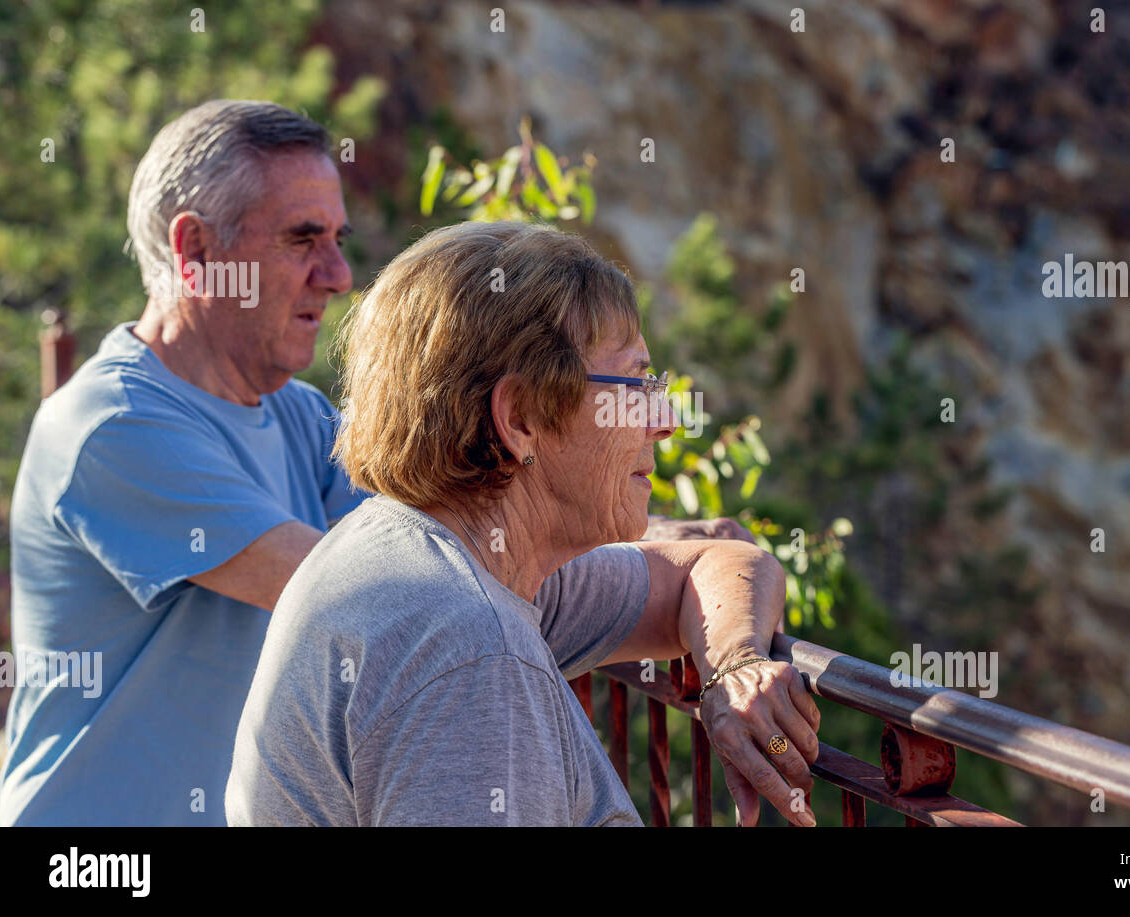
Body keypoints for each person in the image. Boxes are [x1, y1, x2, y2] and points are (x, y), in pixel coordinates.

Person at [0, 100, 745, 826]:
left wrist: (657, 545)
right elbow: (398, 590)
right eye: (303, 239)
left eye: (339, 237)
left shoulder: (295, 414)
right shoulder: (113, 426)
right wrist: (635, 548)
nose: (338, 273)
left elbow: (447, 521)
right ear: (196, 253)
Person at [225, 221, 822, 826]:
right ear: (522, 419)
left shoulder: (435, 555)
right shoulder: (470, 649)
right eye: (634, 384)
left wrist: (737, 667)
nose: (665, 418)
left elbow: (720, 559)